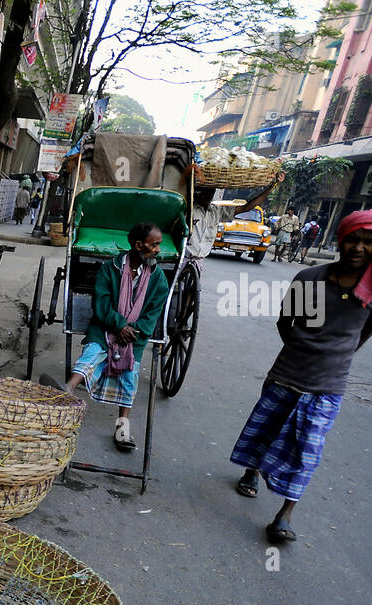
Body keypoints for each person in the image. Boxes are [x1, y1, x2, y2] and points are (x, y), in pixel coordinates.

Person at [230, 210, 372, 545]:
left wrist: (336, 357)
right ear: (341, 239)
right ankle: (252, 471)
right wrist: (304, 351)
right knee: (268, 430)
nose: (359, 247)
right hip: (287, 373)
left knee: (307, 448)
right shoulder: (312, 279)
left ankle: (285, 514)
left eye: (368, 242)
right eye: (353, 238)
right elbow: (287, 323)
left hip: (328, 385)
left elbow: (366, 330)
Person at [64, 222, 168, 452]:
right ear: (138, 245)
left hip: (135, 336)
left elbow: (153, 314)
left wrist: (132, 330)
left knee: (130, 376)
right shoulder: (110, 268)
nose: (158, 250)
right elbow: (101, 303)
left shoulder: (158, 278)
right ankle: (67, 391)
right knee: (92, 354)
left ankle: (122, 426)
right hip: (104, 327)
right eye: (154, 245)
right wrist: (120, 325)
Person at [190, 170, 284, 264]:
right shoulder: (189, 209)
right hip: (184, 256)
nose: (208, 196)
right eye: (205, 193)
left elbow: (245, 208)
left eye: (211, 193)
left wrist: (271, 187)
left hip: (199, 260)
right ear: (198, 193)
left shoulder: (216, 211)